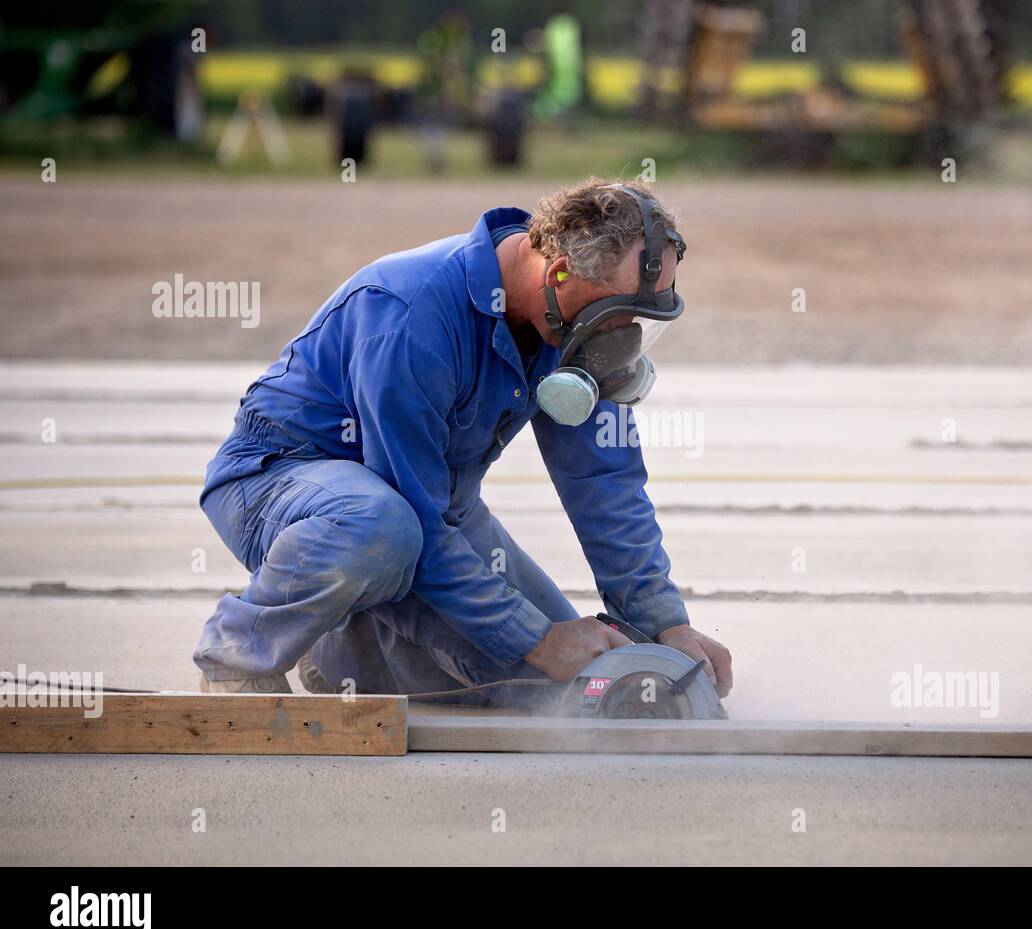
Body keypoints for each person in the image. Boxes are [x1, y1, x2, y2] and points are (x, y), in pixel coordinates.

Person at [193, 178, 733, 709]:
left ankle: (342, 651)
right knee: (385, 532)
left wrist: (665, 627)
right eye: (617, 315)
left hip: (421, 509)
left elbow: (605, 484)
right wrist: (537, 639)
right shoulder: (410, 317)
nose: (625, 337)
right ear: (560, 270)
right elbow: (419, 521)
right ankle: (240, 655)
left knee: (562, 685)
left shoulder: (566, 323)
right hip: (279, 484)